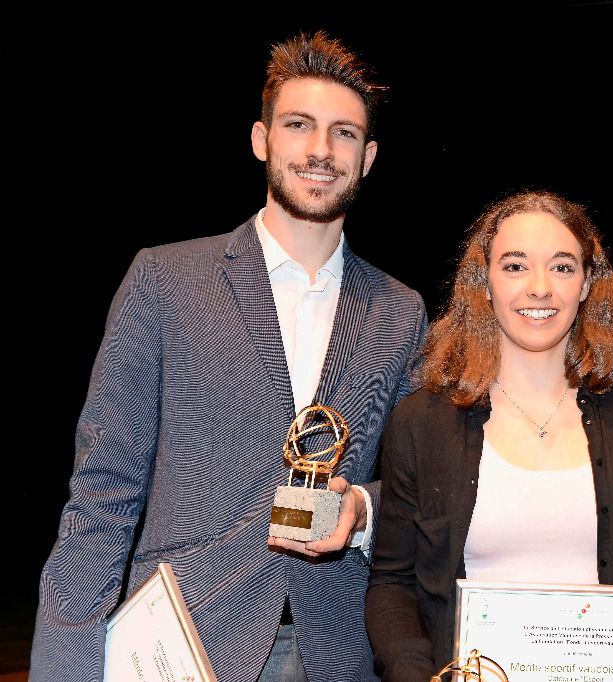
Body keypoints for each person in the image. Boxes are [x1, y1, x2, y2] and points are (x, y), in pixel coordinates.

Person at [31, 32, 427, 682]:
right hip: (188, 641)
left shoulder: (399, 310)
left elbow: (419, 492)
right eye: (299, 126)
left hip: (342, 650)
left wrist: (360, 507)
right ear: (261, 139)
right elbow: (103, 492)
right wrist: (66, 667)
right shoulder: (165, 280)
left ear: (370, 156)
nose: (322, 151)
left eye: (344, 133)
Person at [365, 190, 613, 681]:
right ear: (484, 283)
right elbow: (393, 584)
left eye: (561, 267)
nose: (540, 288)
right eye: (515, 266)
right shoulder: (421, 422)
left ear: (586, 283)